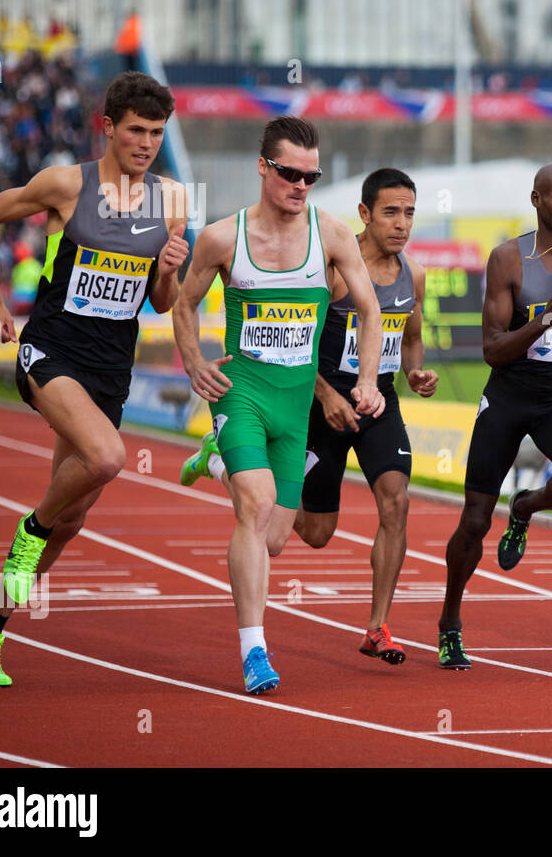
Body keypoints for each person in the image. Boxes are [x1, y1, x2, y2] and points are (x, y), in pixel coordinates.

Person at [0, 71, 188, 688]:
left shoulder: (172, 200)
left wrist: (169, 271)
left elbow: (163, 304)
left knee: (75, 519)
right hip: (51, 350)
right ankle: (28, 527)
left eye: (156, 133)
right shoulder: (68, 183)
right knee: (108, 456)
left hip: (112, 368)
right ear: (109, 127)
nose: (146, 143)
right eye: (136, 130)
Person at [182, 167, 437, 665]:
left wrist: (417, 372)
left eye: (409, 213)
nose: (402, 224)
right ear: (364, 214)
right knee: (312, 535)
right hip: (320, 402)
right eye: (390, 212)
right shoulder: (333, 264)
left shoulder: (416, 275)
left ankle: (377, 626)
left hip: (376, 399)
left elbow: (409, 337)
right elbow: (300, 346)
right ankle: (221, 460)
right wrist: (326, 396)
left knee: (396, 500)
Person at [172, 116, 385, 694]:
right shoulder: (223, 238)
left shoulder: (333, 235)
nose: (301, 185)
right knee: (257, 503)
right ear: (264, 167)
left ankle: (215, 460)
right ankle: (254, 651)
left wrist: (367, 378)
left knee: (273, 539)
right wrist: (194, 363)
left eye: (311, 176)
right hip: (242, 390)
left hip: (296, 407)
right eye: (290, 173)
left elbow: (370, 310)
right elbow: (185, 305)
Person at [437, 162, 552, 669]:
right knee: (474, 522)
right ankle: (450, 620)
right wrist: (541, 323)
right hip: (509, 396)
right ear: (537, 201)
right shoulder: (508, 260)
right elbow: (493, 351)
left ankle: (523, 509)